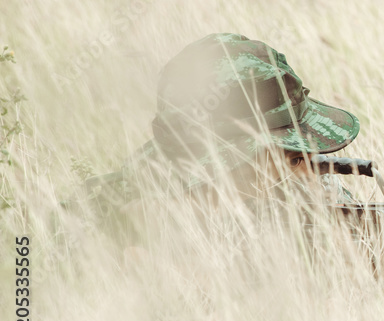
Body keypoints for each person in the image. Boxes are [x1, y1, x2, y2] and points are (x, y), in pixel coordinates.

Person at [74, 32, 361, 247]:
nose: (309, 174)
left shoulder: (315, 195)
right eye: (291, 159)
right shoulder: (105, 217)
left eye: (305, 156)